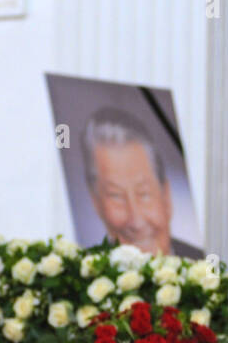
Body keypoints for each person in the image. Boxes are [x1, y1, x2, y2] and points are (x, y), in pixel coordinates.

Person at [80, 106, 204, 259]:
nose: (136, 221)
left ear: (166, 196)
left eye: (144, 194)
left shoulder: (204, 268)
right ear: (96, 203)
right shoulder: (84, 272)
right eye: (116, 196)